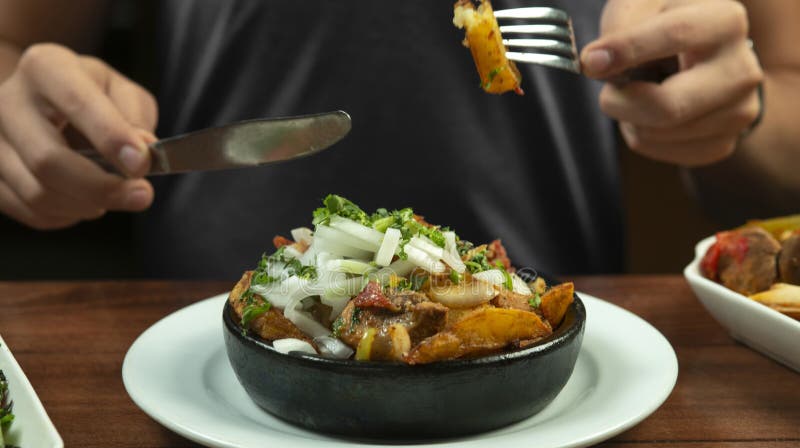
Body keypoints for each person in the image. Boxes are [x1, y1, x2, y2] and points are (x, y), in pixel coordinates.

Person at [0, 0, 797, 279]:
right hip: (201, 338)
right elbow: (14, 53)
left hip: (562, 347)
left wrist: (737, 111)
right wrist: (34, 121)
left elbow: (786, 109)